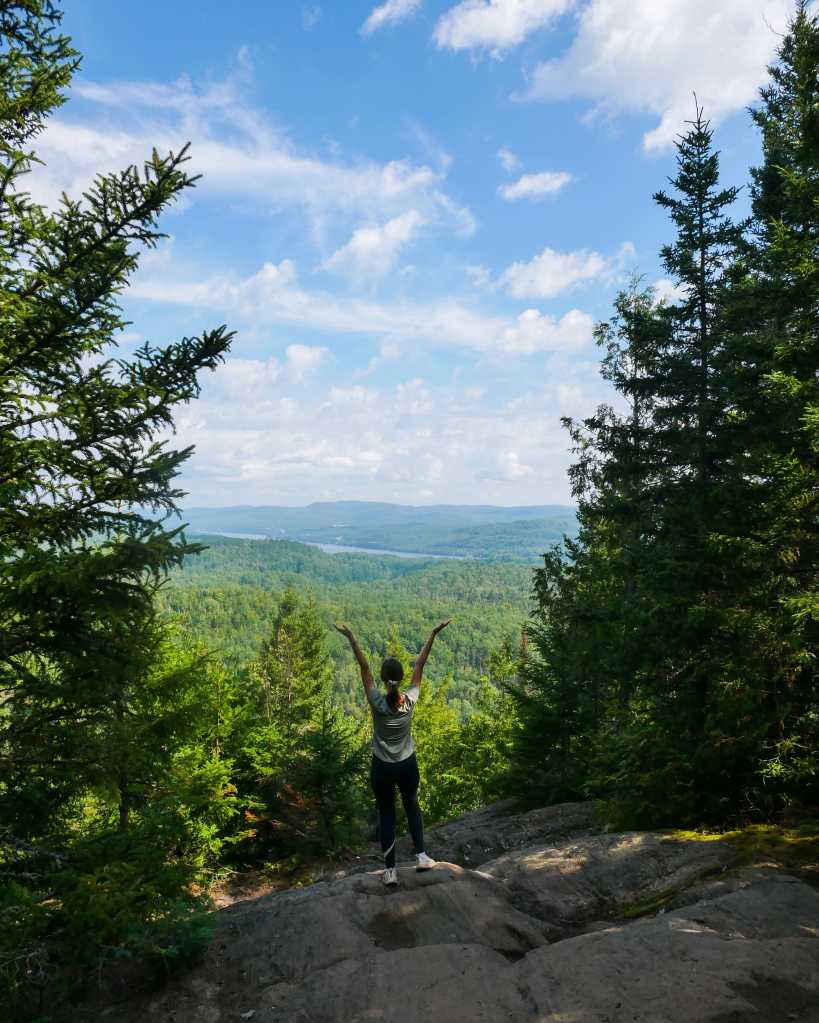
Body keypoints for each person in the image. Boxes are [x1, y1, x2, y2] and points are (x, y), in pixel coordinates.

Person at [334, 619, 451, 886]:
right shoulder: (409, 701)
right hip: (407, 764)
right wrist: (433, 633)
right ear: (400, 678)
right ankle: (421, 857)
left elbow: (364, 667)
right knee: (412, 806)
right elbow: (420, 665)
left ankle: (390, 872)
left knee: (386, 814)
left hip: (382, 766)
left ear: (383, 679)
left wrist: (351, 637)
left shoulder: (377, 701)